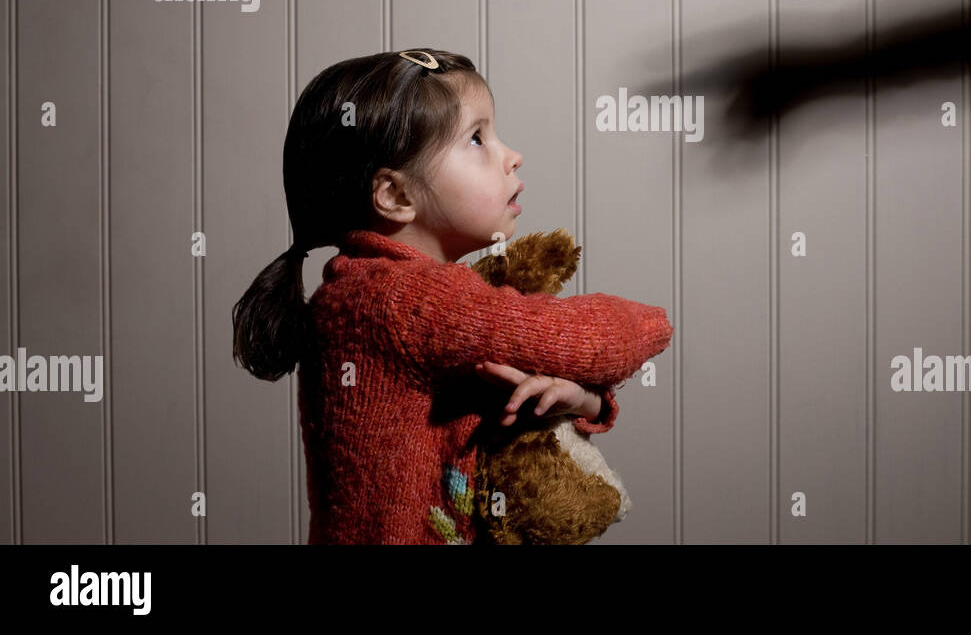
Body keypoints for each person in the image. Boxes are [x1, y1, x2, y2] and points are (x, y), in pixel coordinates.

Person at [231, 48, 673, 543]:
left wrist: (583, 401)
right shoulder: (401, 299)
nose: (512, 156)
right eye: (478, 138)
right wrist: (655, 322)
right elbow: (575, 338)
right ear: (396, 196)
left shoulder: (369, 290)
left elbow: (499, 414)